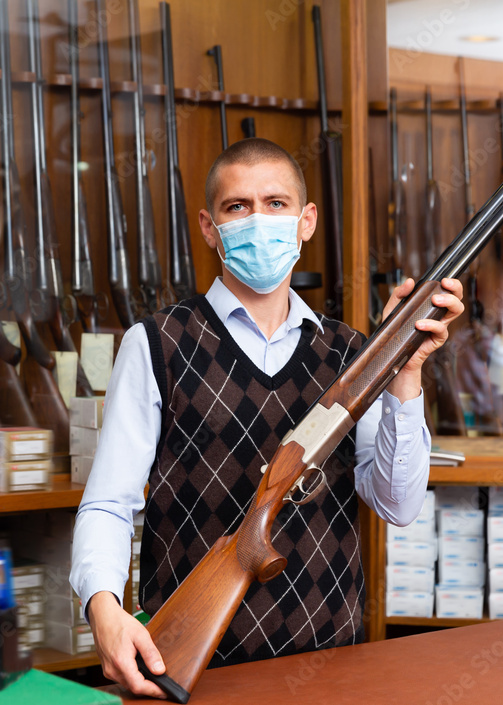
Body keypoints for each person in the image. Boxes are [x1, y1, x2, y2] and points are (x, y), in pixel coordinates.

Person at [70, 138, 464, 698]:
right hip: (194, 675)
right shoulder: (157, 344)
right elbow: (109, 503)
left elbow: (398, 505)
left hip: (332, 667)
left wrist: (405, 371)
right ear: (210, 227)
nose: (259, 220)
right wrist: (104, 610)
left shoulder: (351, 355)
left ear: (306, 222)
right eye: (238, 207)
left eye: (276, 204)